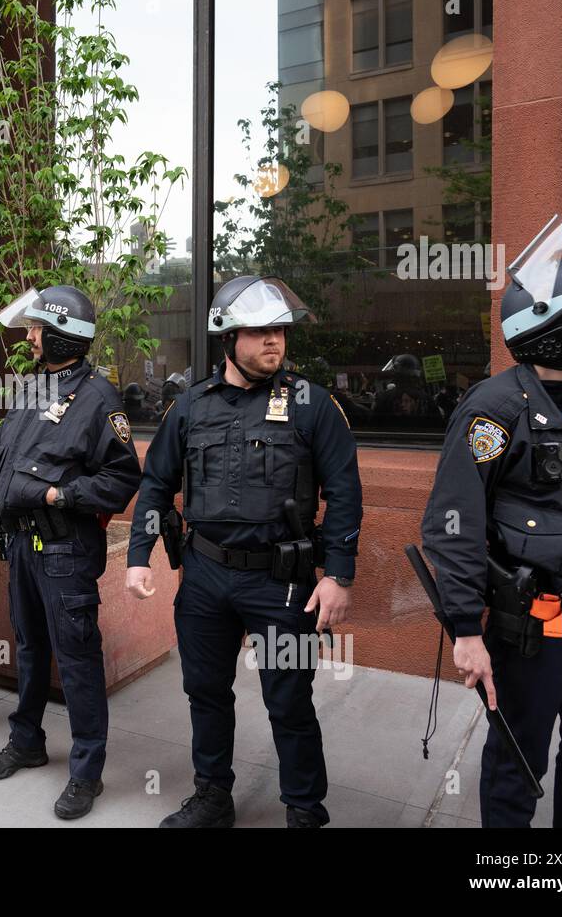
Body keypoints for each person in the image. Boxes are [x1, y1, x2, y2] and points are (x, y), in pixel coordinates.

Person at [421, 217, 562, 827]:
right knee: (518, 764)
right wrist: (466, 632)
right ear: (552, 329)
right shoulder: (493, 409)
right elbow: (452, 524)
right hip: (534, 626)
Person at [126, 275, 363, 828]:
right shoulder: (187, 408)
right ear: (227, 339)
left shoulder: (312, 404)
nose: (274, 342)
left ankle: (304, 806)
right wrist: (140, 554)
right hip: (205, 577)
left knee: (288, 701)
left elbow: (345, 493)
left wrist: (339, 576)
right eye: (259, 332)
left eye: (280, 331)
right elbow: (157, 485)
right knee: (205, 691)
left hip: (282, 585)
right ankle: (213, 796)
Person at [0, 285, 141, 820]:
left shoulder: (99, 399)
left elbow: (122, 477)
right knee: (27, 647)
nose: (31, 336)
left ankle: (86, 771)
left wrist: (56, 494)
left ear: (64, 332)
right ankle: (26, 741)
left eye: (39, 328)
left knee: (77, 658)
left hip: (64, 548)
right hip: (20, 545)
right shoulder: (29, 388)